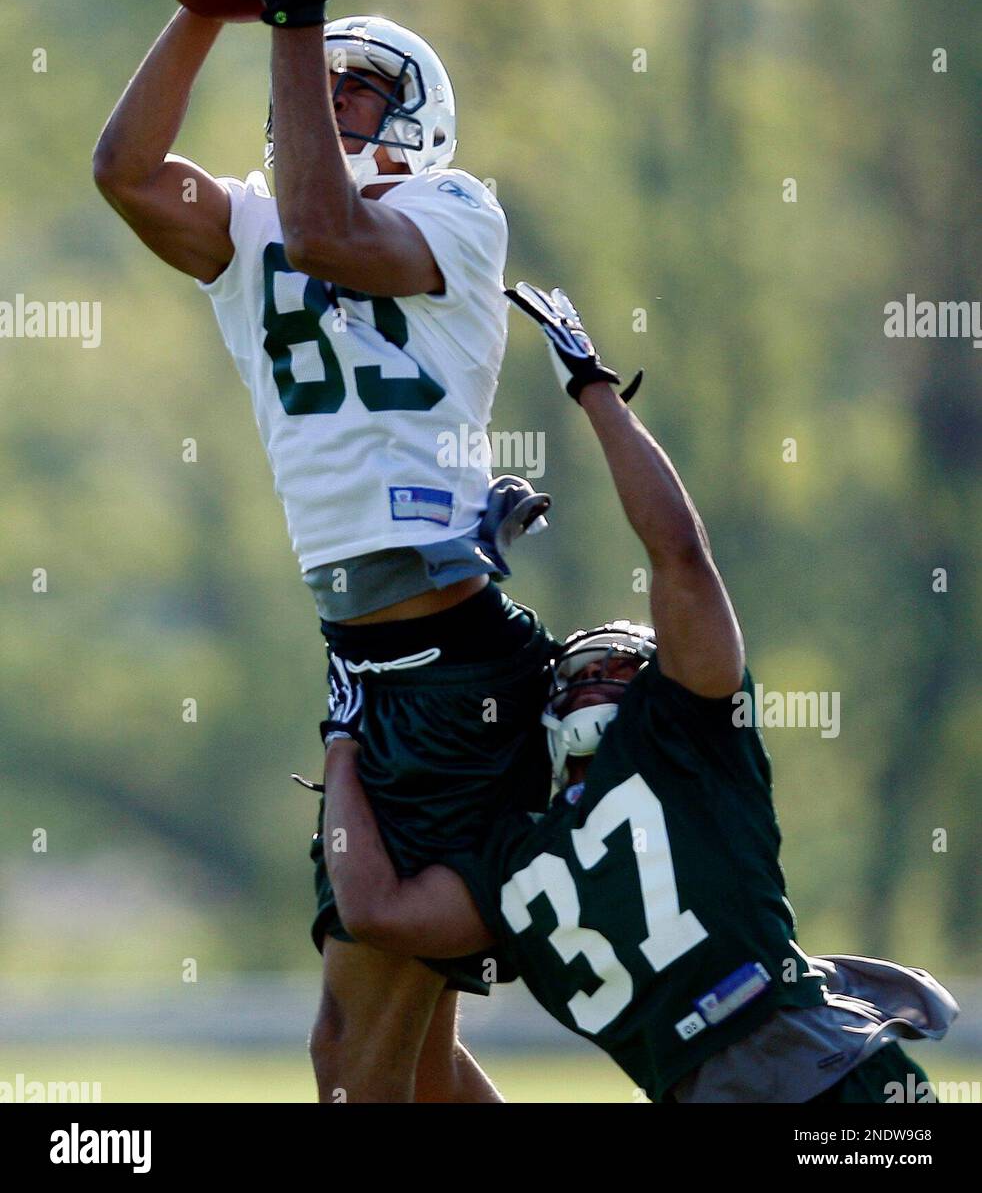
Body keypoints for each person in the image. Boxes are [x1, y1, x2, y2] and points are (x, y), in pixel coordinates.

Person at [91, 0, 607, 1103]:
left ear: (419, 113)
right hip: (368, 665)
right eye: (313, 85)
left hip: (450, 673)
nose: (322, 100)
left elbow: (329, 234)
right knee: (406, 1066)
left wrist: (295, 14)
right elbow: (123, 171)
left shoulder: (454, 209)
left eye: (354, 87)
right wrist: (210, 4)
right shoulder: (253, 221)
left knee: (351, 1064)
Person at [320, 283, 958, 1103]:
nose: (593, 673)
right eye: (583, 670)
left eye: (616, 665)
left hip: (769, 1072)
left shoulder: (571, 829)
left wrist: (344, 739)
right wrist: (594, 388)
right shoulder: (619, 795)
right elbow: (375, 913)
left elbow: (376, 908)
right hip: (803, 1070)